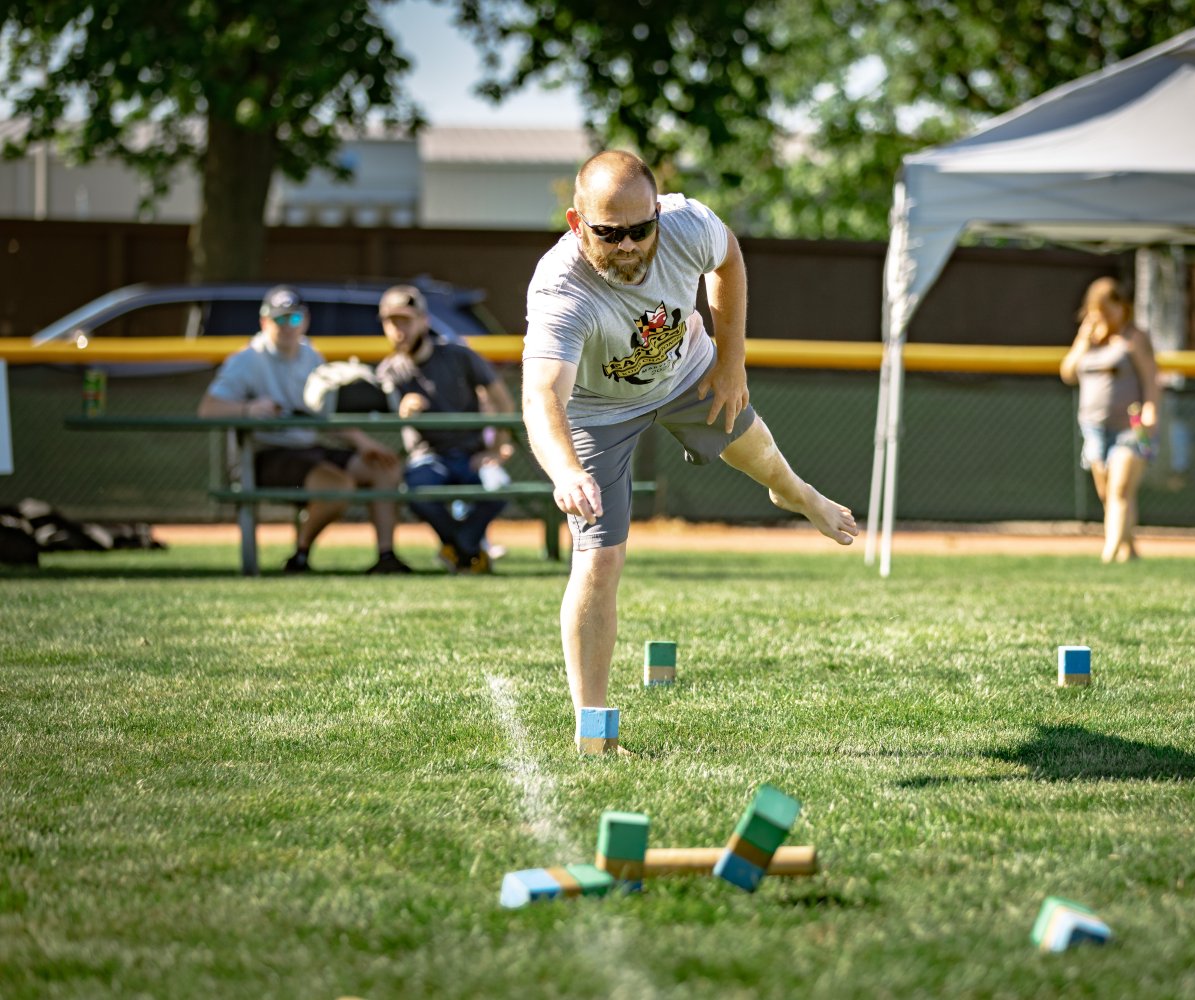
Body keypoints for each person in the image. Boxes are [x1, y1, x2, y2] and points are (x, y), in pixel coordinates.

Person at [522, 149, 858, 739]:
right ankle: (593, 729)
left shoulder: (688, 223)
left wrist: (732, 362)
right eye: (608, 233)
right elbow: (542, 398)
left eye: (639, 229)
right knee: (599, 559)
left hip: (685, 371)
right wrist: (566, 471)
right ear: (578, 223)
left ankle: (797, 493)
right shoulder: (560, 292)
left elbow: (728, 258)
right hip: (598, 412)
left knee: (761, 457)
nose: (627, 246)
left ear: (658, 212)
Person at [197, 284, 411, 574]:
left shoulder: (310, 355)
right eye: (280, 319)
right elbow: (207, 409)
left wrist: (363, 442)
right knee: (339, 486)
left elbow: (323, 416)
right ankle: (300, 554)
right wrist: (248, 410)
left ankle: (386, 559)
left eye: (294, 318)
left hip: (309, 450)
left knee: (383, 469)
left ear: (306, 321)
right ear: (264, 322)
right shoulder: (246, 360)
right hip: (264, 454)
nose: (287, 326)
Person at [374, 284, 519, 573]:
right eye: (391, 322)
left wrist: (494, 449)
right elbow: (373, 418)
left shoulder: (458, 355)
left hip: (472, 455)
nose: (399, 329)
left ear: (423, 321)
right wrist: (401, 411)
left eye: (405, 320)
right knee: (418, 489)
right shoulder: (388, 370)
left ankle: (458, 548)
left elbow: (504, 403)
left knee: (498, 487)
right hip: (428, 458)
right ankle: (468, 550)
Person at [1060, 276, 1161, 563]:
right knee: (1108, 493)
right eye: (1097, 310)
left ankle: (1110, 553)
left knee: (1120, 489)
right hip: (1094, 427)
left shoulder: (1133, 338)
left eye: (1109, 309)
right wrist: (1082, 339)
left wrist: (1150, 410)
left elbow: (1151, 379)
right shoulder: (1089, 341)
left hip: (1132, 426)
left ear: (1122, 307)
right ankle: (1129, 549)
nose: (1103, 315)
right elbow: (1067, 373)